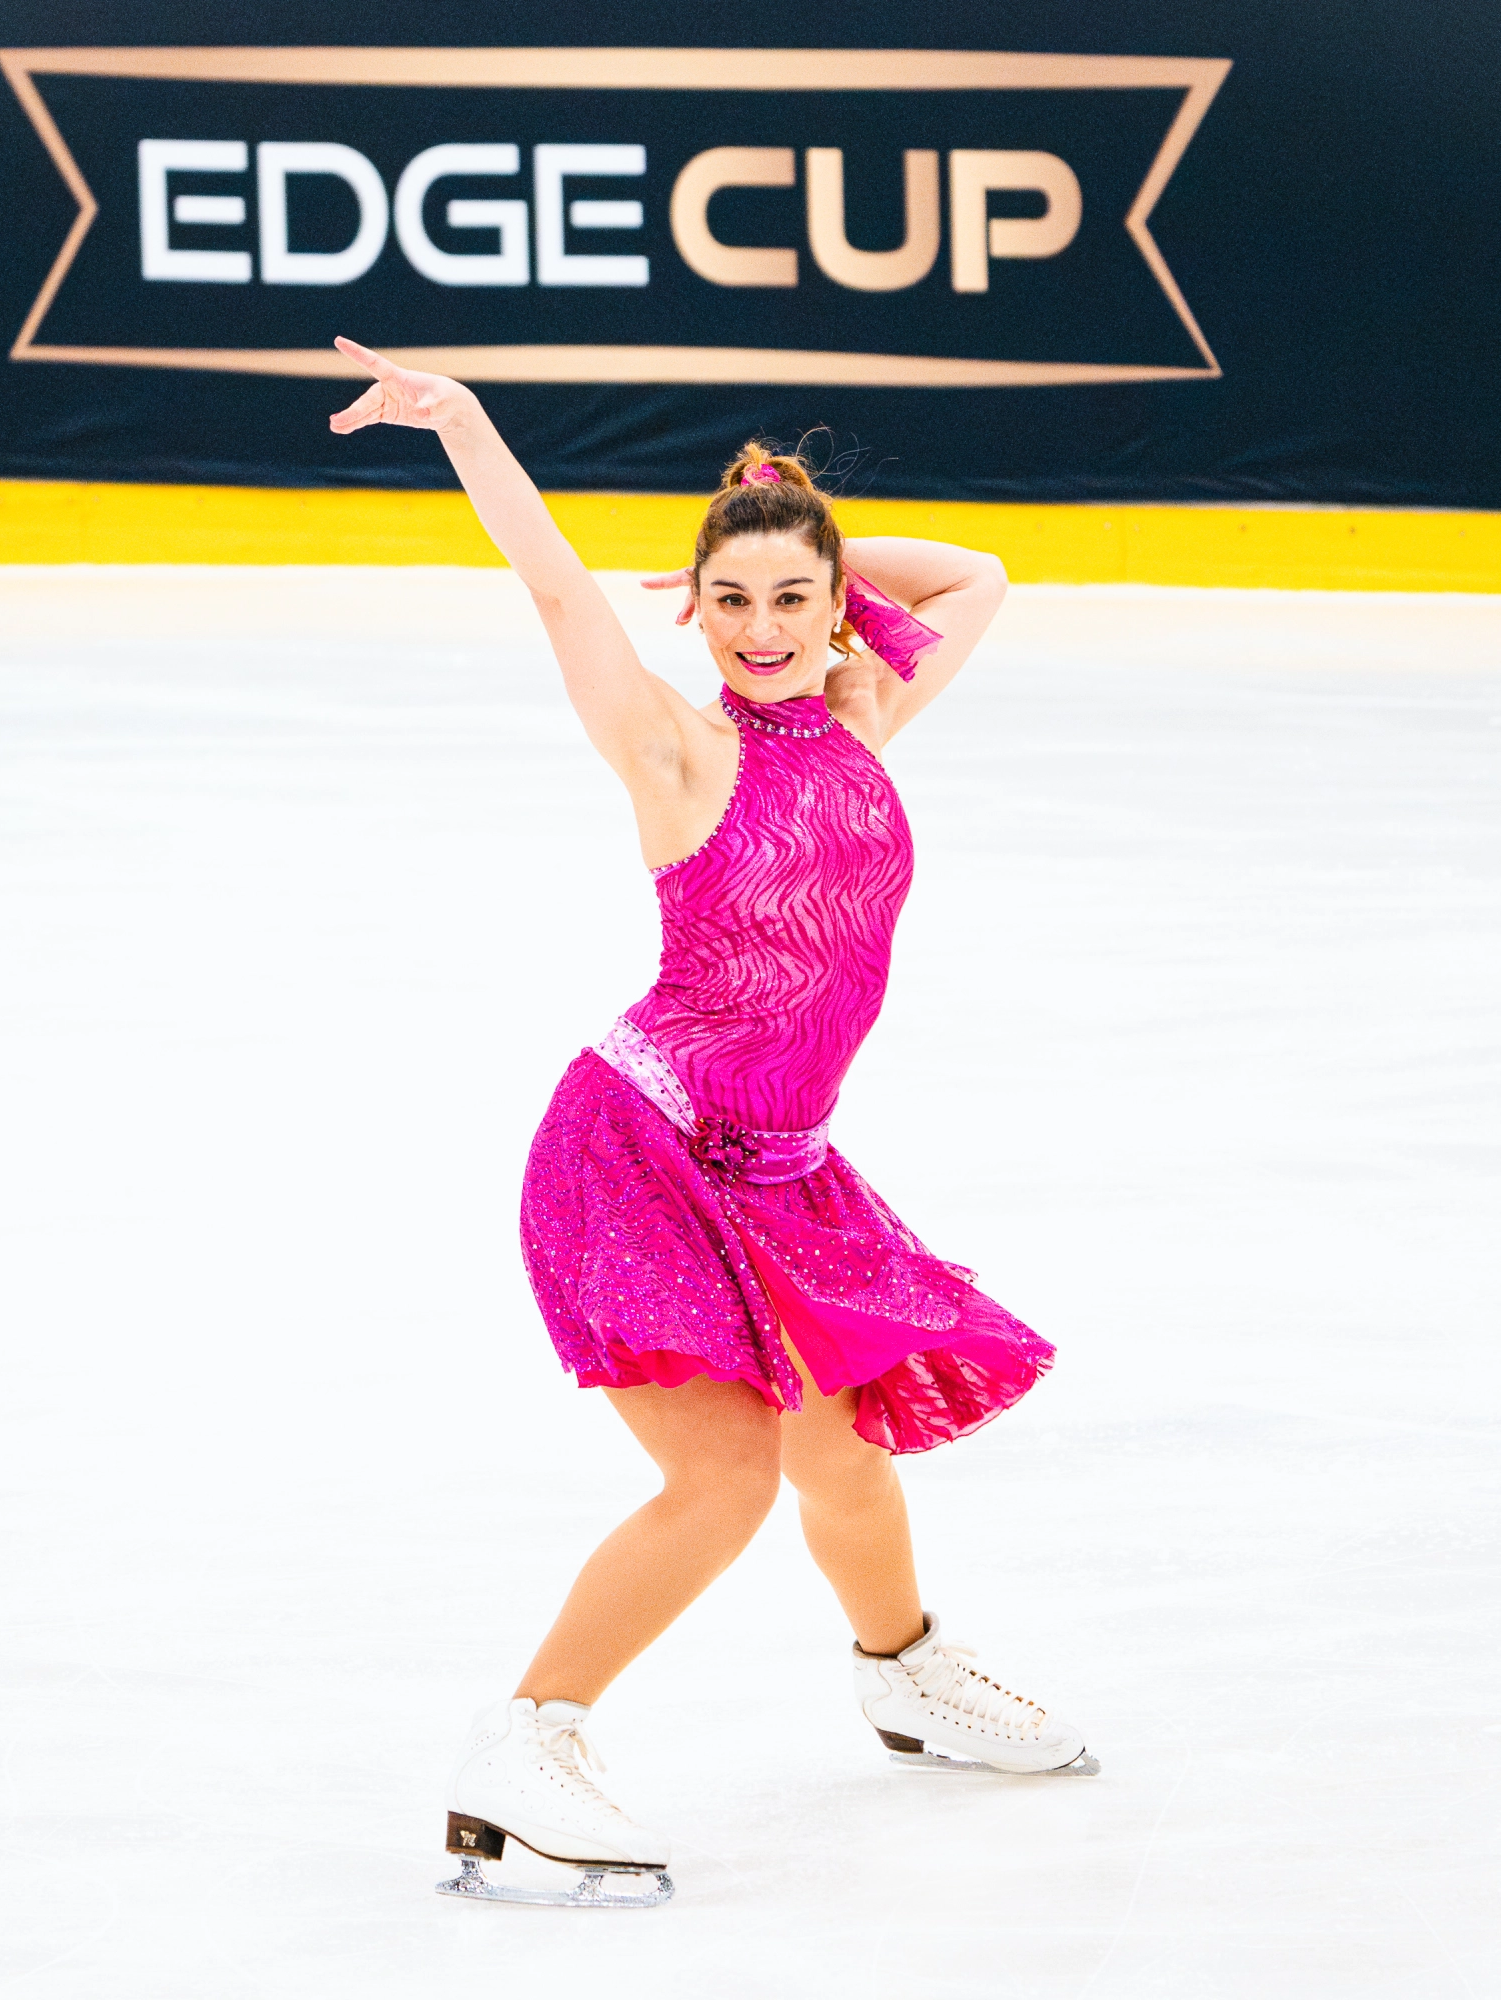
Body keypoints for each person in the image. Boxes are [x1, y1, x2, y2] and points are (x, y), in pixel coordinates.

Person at [327, 337, 1091, 1910]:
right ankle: (525, 1741)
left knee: (850, 1454)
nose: (756, 630)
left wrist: (791, 524)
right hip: (643, 1150)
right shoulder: (683, 750)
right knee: (729, 1477)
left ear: (828, 610)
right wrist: (465, 421)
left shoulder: (864, 721)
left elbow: (982, 577)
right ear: (692, 607)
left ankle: (904, 1669)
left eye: (789, 601)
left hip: (785, 1173)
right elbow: (555, 594)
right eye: (725, 601)